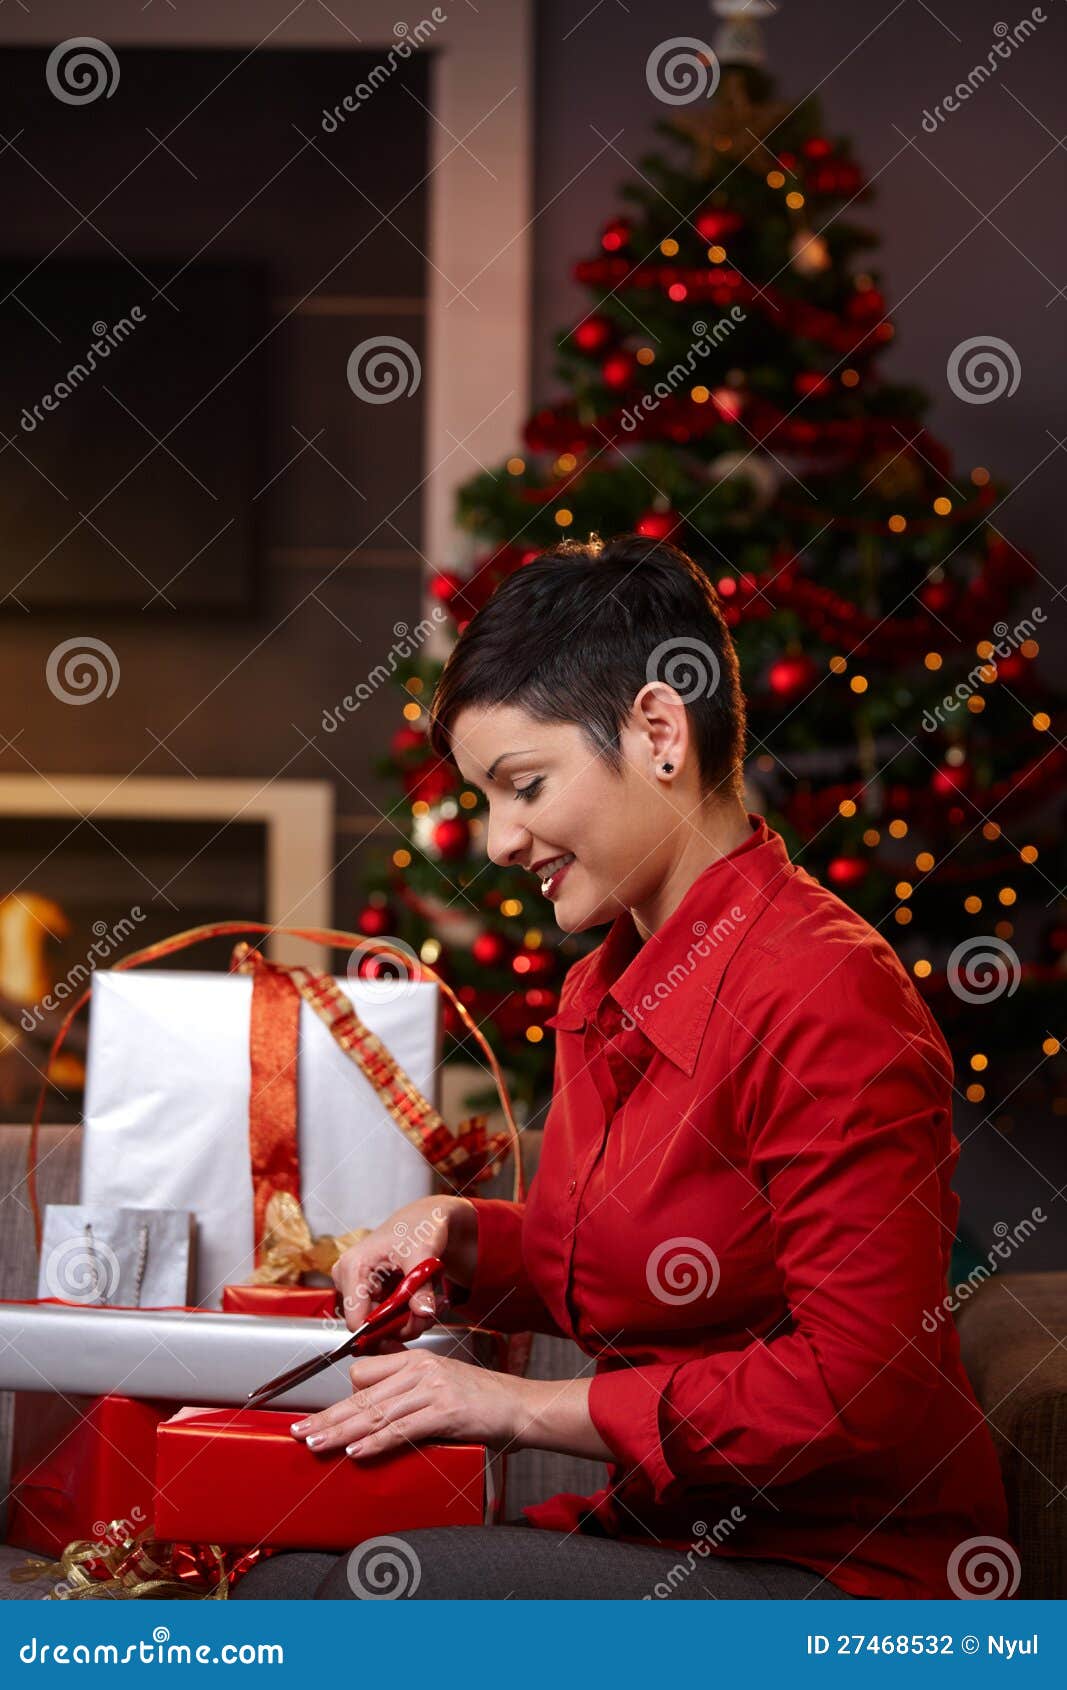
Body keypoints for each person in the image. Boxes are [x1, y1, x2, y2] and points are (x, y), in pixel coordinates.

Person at [234, 534, 1010, 1601]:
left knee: (354, 1595)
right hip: (673, 1532)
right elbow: (647, 1264)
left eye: (523, 785)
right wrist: (458, 1233)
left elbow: (857, 1386)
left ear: (657, 731)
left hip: (841, 1572)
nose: (499, 841)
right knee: (277, 1566)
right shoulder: (609, 983)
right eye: (485, 799)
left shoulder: (826, 994)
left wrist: (514, 1407)